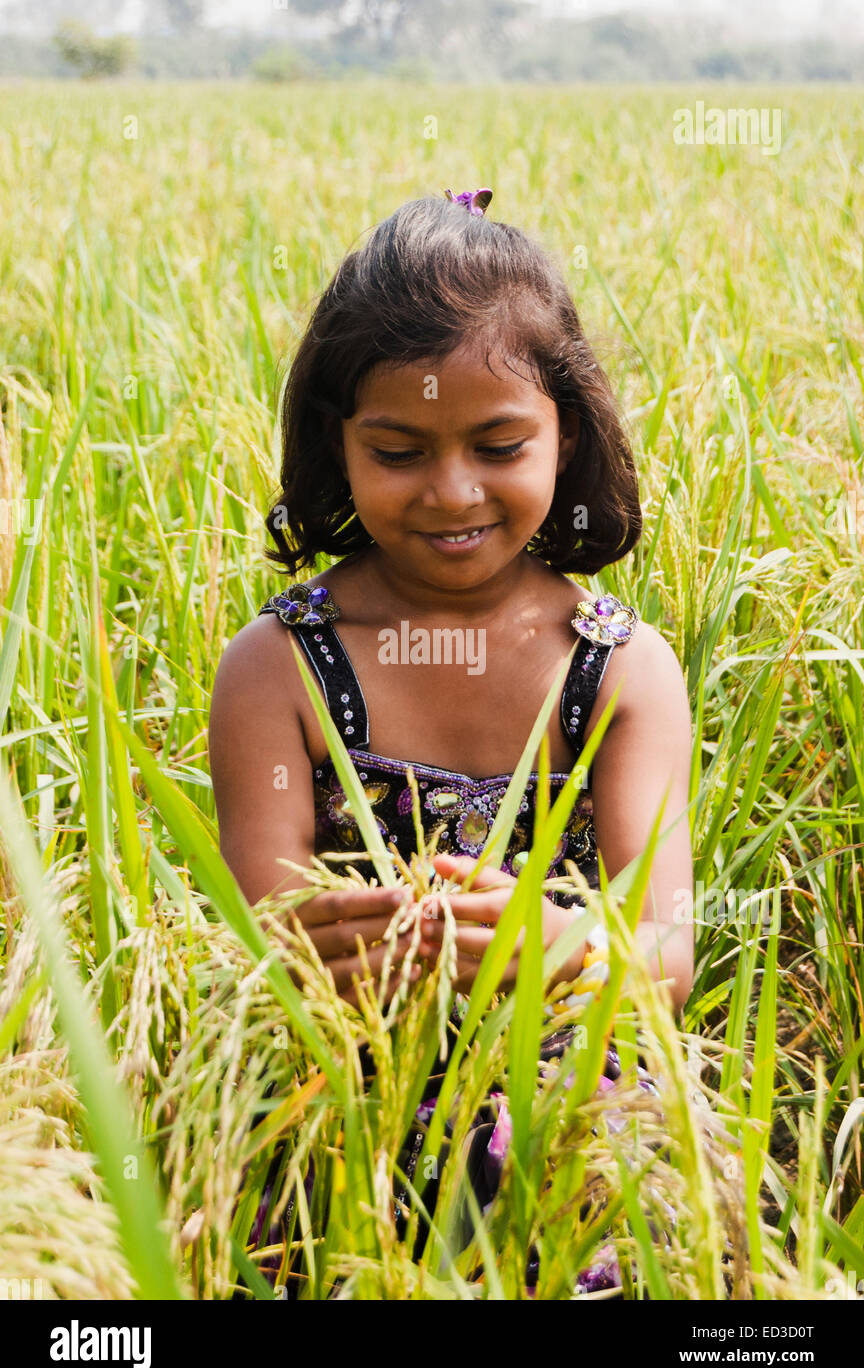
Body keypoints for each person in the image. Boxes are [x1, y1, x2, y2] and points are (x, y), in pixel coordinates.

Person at [209, 188, 695, 1294]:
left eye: (498, 443)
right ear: (338, 444)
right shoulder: (278, 668)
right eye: (399, 449)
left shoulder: (619, 670)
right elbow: (260, 945)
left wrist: (565, 947)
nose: (453, 490)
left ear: (565, 437)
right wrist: (334, 948)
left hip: (573, 1114)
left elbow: (665, 951)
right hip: (337, 1111)